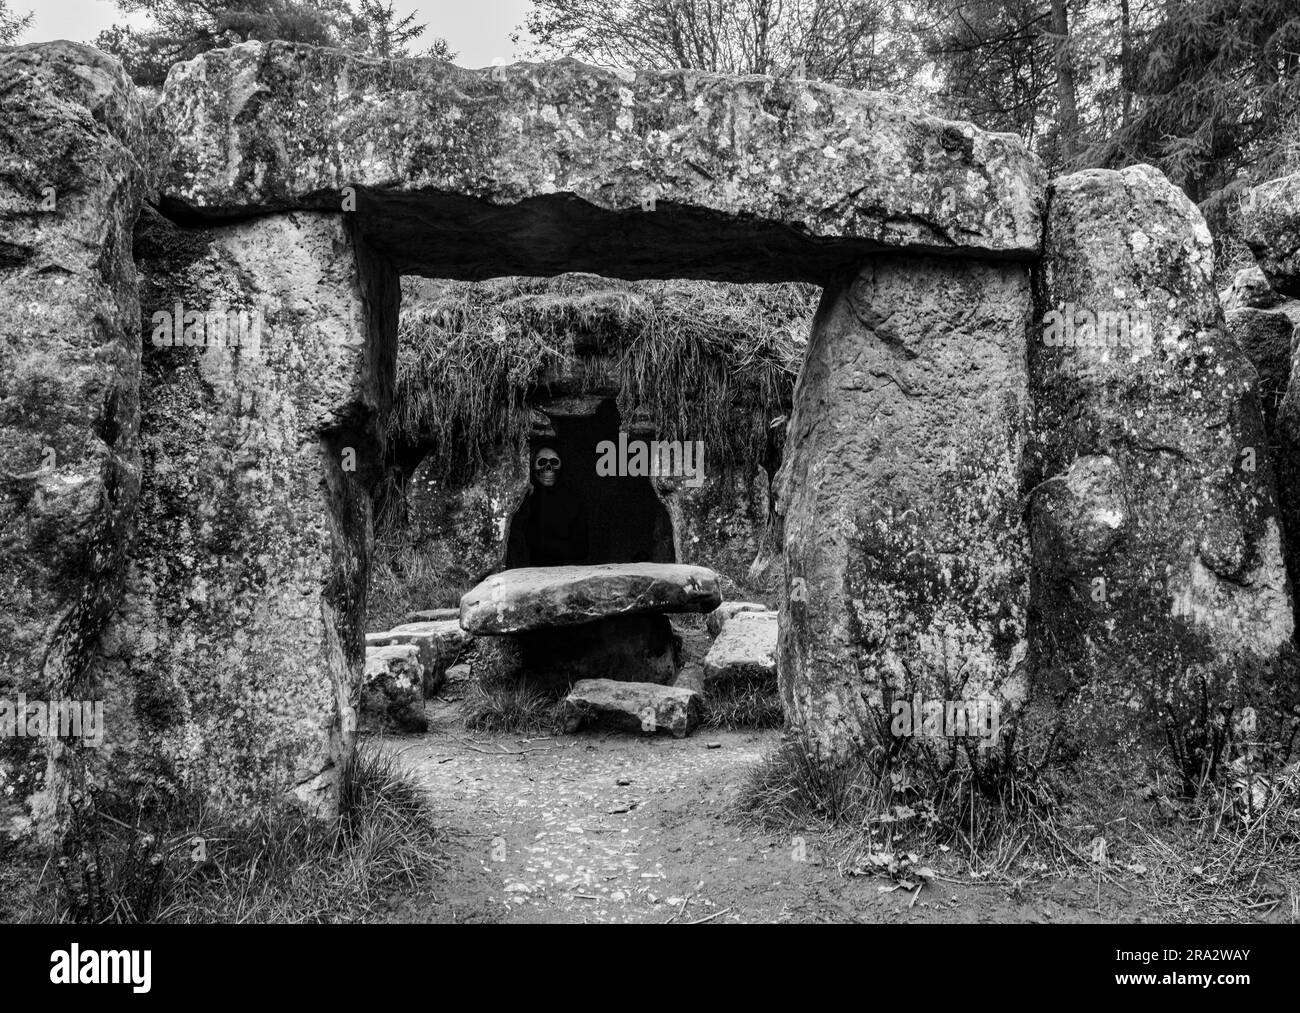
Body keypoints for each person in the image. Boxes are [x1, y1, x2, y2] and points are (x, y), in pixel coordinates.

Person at [517, 446, 589, 566]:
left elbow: (581, 549)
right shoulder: (523, 499)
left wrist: (538, 543)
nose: (548, 468)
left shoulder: (571, 502)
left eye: (554, 462)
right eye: (542, 462)